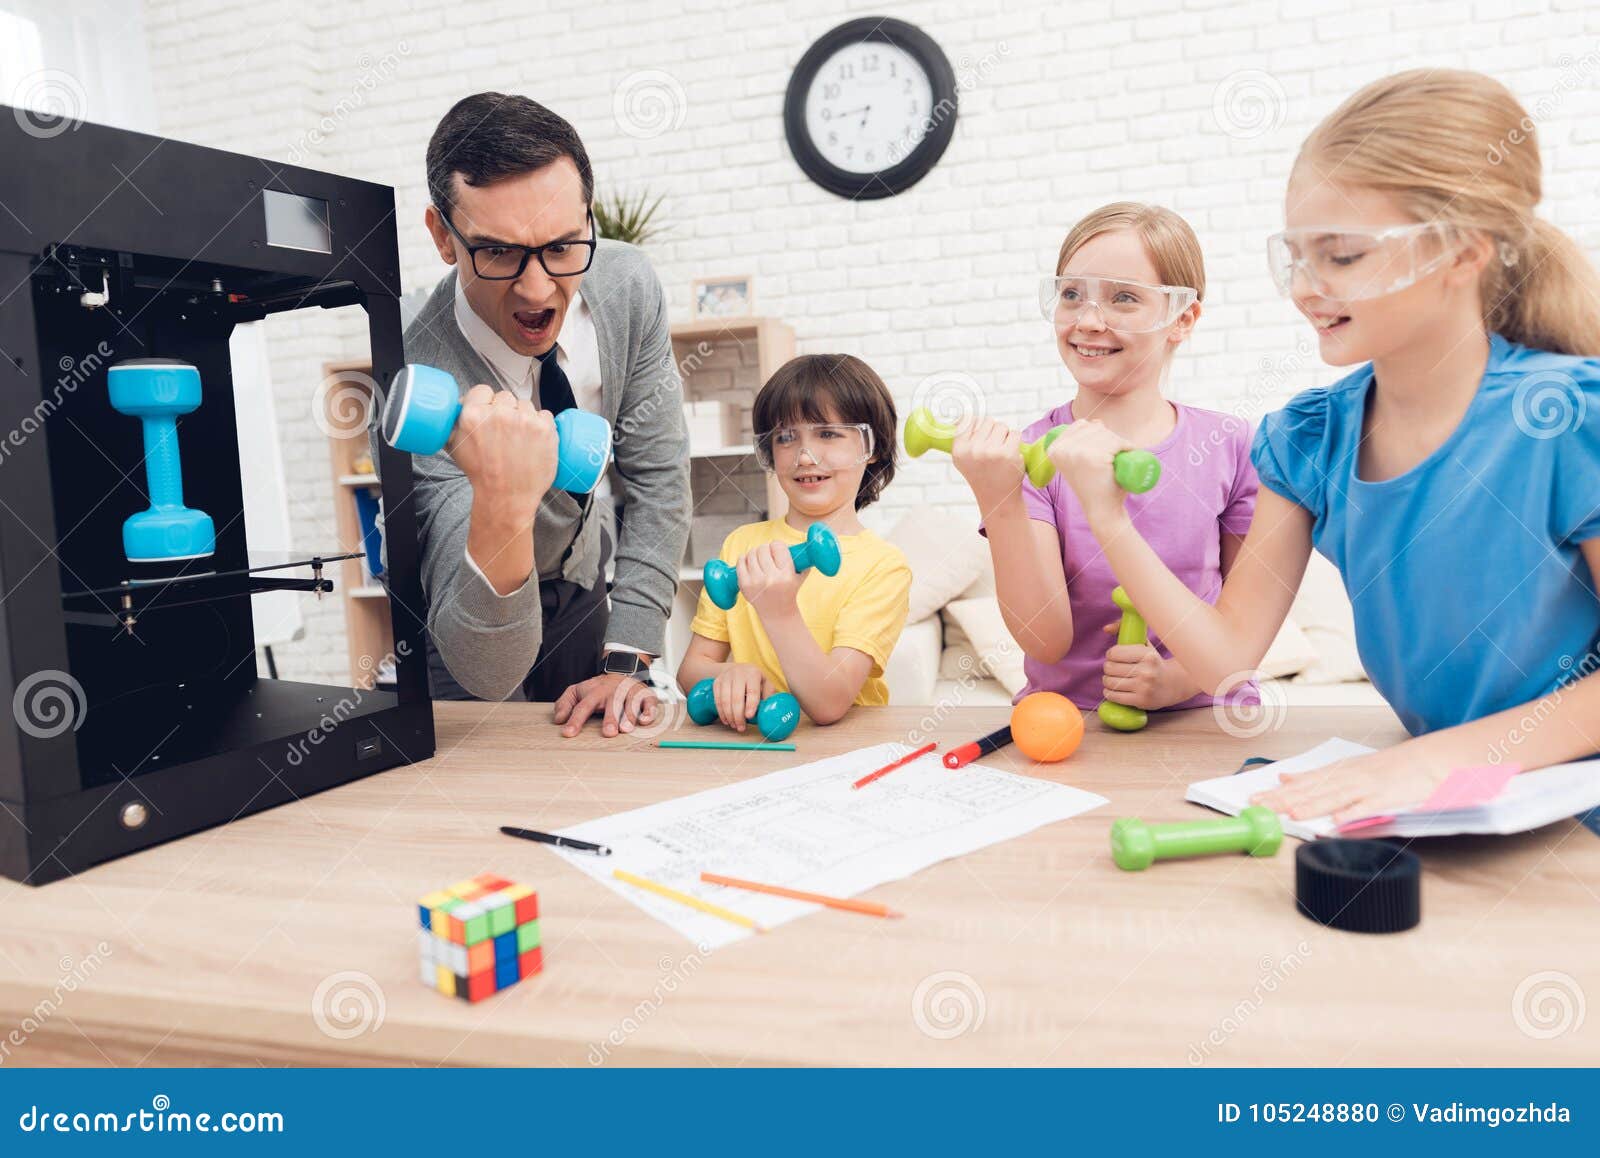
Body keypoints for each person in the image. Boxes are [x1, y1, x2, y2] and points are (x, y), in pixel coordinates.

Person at [1048, 70, 1600, 822]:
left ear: (1465, 253)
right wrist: (1109, 518)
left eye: (1341, 257)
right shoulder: (1312, 438)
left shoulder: (1565, 419)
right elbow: (1226, 659)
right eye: (1296, 257)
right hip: (1449, 809)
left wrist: (1432, 761)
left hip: (1566, 813)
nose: (1306, 288)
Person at [394, 93, 690, 737]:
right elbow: (488, 672)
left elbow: (658, 480)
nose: (535, 290)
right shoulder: (416, 374)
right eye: (498, 253)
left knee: (595, 770)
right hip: (468, 617)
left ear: (590, 217)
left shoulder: (626, 288)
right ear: (443, 236)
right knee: (484, 803)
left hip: (583, 584)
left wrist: (628, 655)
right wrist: (501, 494)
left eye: (562, 246)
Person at [949, 202, 1258, 717]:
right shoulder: (1031, 455)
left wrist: (1177, 682)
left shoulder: (1231, 444)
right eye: (1072, 295)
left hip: (1210, 716)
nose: (1088, 321)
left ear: (1182, 319)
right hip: (1068, 724)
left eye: (1123, 298)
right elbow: (1044, 641)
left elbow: (1247, 623)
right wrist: (996, 497)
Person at [677, 355, 911, 727]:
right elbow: (690, 671)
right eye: (786, 437)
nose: (805, 456)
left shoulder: (884, 568)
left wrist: (779, 610)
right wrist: (729, 675)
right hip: (753, 748)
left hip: (845, 753)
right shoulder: (740, 545)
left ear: (873, 446)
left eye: (828, 433)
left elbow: (830, 703)